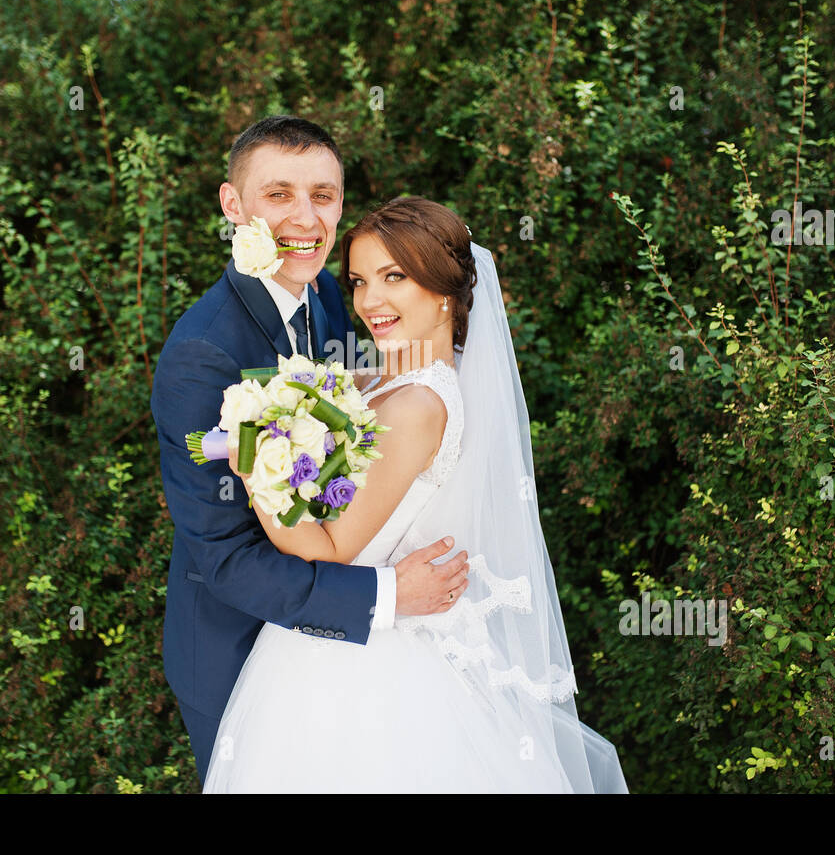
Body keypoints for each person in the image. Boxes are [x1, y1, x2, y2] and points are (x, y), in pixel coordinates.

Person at [203, 196, 628, 793]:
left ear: (444, 290)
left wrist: (257, 467)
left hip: (355, 662)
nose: (371, 301)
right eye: (358, 281)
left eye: (394, 277)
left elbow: (326, 553)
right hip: (342, 640)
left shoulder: (416, 405)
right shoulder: (383, 380)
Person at [150, 117, 471, 783]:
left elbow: (385, 405)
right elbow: (228, 561)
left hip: (351, 656)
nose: (306, 216)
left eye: (323, 195)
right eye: (279, 194)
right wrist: (388, 595)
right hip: (237, 655)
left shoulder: (334, 292)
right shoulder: (202, 356)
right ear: (232, 206)